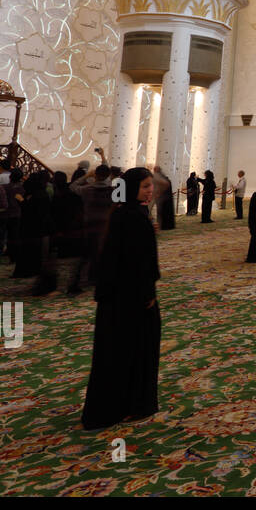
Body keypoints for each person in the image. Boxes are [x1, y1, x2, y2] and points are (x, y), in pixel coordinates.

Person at [81, 167, 161, 431]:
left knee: (116, 353)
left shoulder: (123, 214)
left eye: (151, 186)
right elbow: (139, 263)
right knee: (135, 352)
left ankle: (114, 406)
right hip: (132, 299)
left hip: (117, 298)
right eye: (145, 186)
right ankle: (134, 404)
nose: (150, 191)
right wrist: (147, 295)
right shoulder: (133, 218)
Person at [13, 171, 52, 278]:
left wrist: (21, 201)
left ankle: (30, 270)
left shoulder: (38, 195)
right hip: (34, 227)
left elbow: (32, 211)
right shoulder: (39, 193)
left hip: (32, 227)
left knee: (30, 249)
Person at [152, 166, 175, 230]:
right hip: (165, 197)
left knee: (160, 212)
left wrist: (158, 192)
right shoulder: (163, 176)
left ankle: (160, 225)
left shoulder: (157, 176)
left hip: (161, 197)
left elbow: (165, 184)